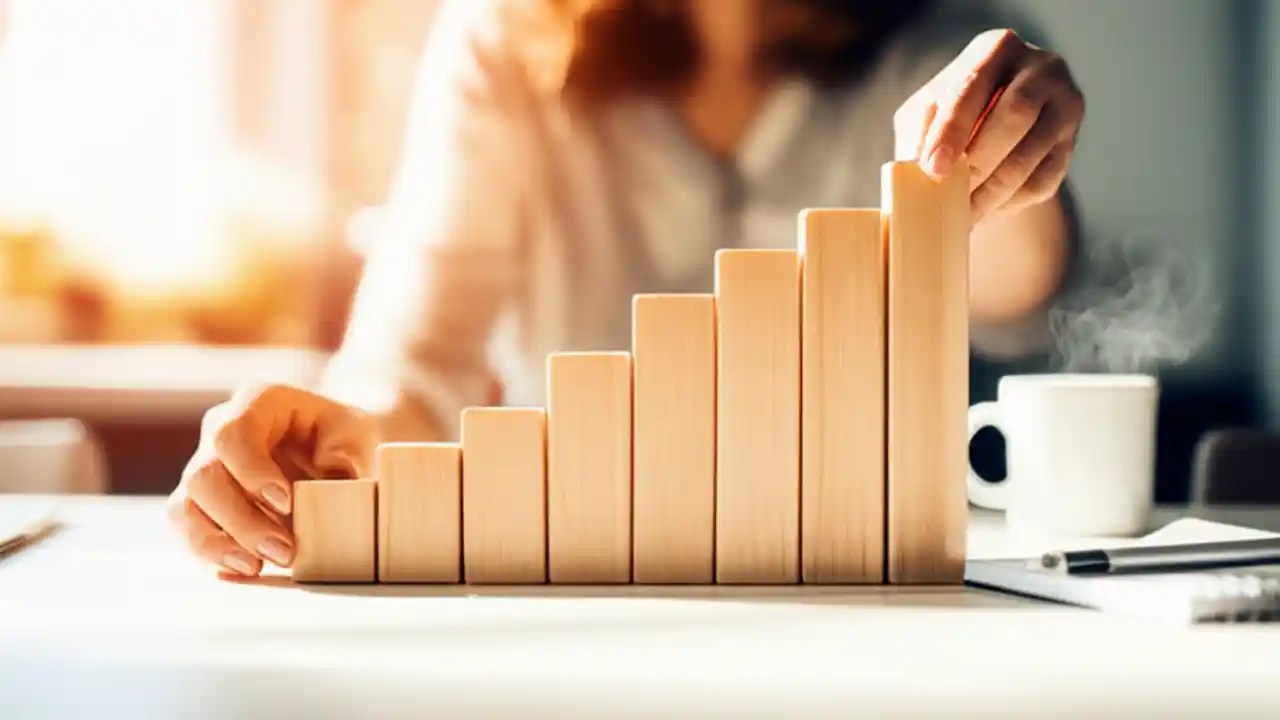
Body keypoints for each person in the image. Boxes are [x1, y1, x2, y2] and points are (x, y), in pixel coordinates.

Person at [168, 0, 1083, 577]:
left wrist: (1012, 175)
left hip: (870, 589)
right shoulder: (501, 41)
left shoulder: (932, 45)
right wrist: (337, 435)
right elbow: (413, 365)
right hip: (574, 576)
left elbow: (1017, 294)